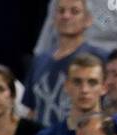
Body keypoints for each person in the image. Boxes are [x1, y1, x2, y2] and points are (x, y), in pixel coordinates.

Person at [24, 0, 103, 128]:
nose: (66, 16)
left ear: (88, 19)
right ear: (53, 18)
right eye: (61, 11)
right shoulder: (39, 61)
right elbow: (31, 110)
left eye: (74, 11)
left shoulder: (100, 58)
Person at [29, 53, 108, 135]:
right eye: (77, 82)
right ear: (66, 86)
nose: (84, 90)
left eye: (92, 82)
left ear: (104, 87)